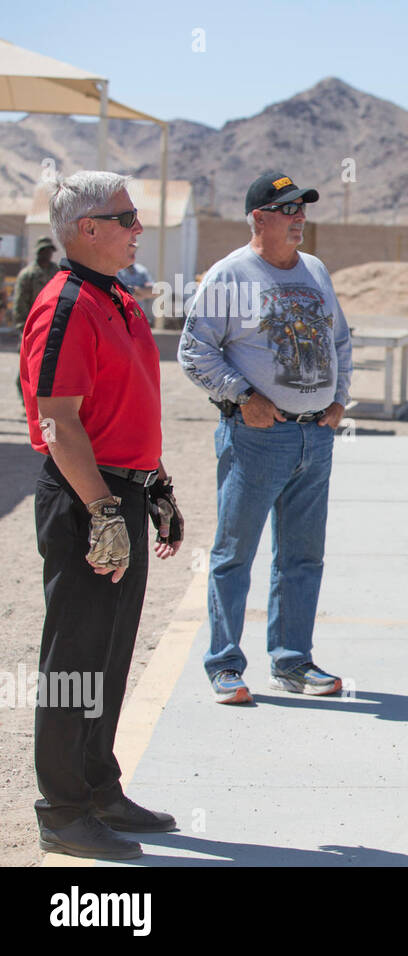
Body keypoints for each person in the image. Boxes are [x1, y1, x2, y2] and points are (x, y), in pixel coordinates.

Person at [20, 172, 183, 859]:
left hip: (121, 490)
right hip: (86, 495)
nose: (138, 227)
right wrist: (103, 511)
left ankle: (97, 786)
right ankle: (62, 810)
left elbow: (126, 407)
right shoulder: (63, 304)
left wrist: (157, 487)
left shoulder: (114, 296)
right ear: (85, 229)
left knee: (110, 654)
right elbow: (57, 421)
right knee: (75, 657)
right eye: (125, 218)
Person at [178, 171, 351, 704]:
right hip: (256, 439)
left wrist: (339, 398)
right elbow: (194, 351)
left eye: (303, 208)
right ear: (259, 218)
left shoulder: (316, 270)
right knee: (234, 553)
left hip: (313, 439)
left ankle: (293, 661)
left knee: (303, 556)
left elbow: (340, 339)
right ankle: (225, 664)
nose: (300, 217)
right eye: (288, 209)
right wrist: (240, 398)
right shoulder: (231, 275)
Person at [11, 236, 60, 395]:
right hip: (31, 326)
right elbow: (20, 302)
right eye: (43, 250)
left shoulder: (57, 272)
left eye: (49, 251)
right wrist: (22, 327)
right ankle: (25, 399)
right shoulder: (27, 274)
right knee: (27, 364)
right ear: (38, 252)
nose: (47, 254)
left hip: (53, 325)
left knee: (51, 365)